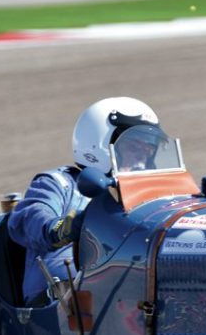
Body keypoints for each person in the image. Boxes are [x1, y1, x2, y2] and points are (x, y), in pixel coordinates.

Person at [8, 97, 160, 306]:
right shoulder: (60, 183)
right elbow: (26, 220)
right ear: (100, 145)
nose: (142, 160)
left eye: (149, 150)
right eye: (133, 148)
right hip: (61, 303)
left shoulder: (153, 192)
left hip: (121, 295)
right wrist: (63, 228)